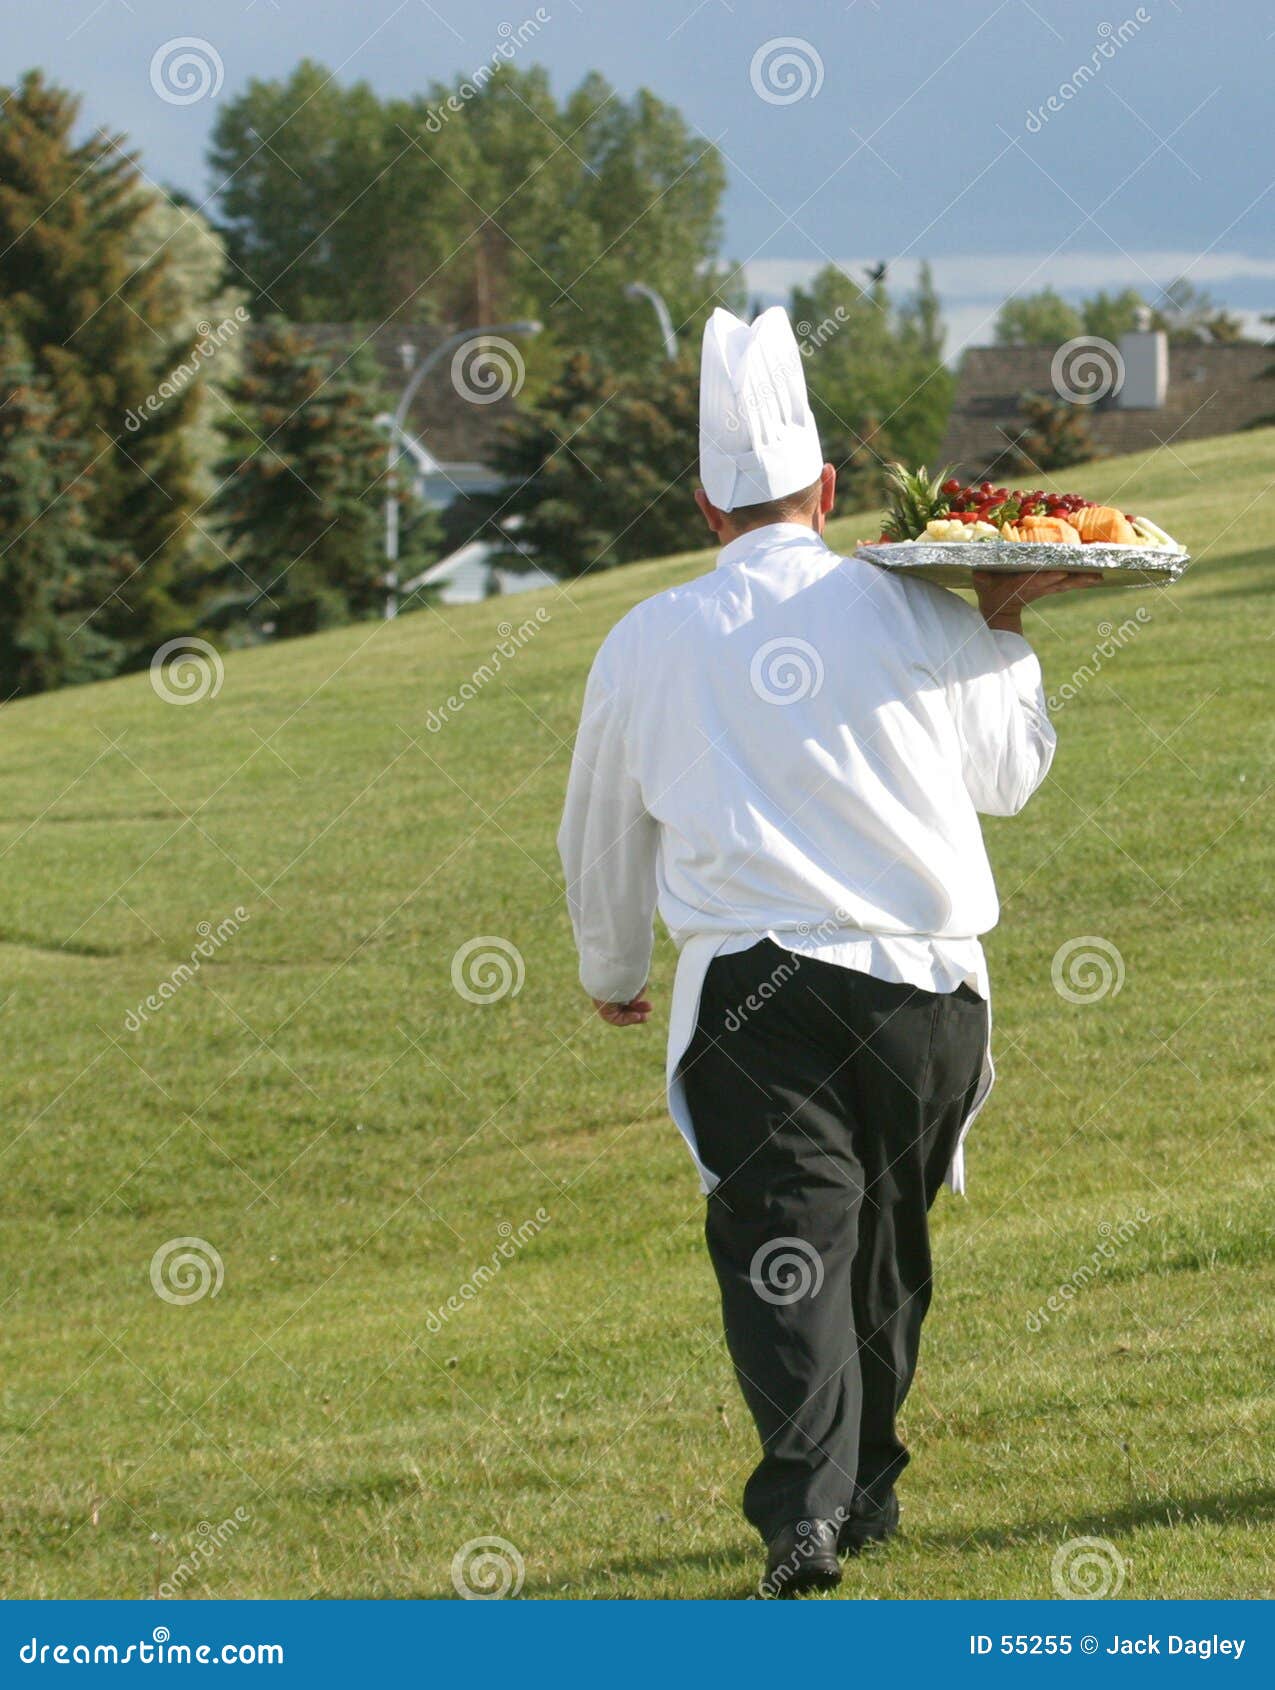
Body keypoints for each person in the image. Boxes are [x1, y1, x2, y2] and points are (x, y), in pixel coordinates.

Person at [557, 305, 1099, 1596]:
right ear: (832, 489)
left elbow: (599, 825)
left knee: (786, 1238)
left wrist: (612, 969)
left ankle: (811, 1507)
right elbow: (1012, 775)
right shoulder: (912, 598)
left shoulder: (644, 641)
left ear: (705, 506)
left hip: (757, 989)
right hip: (924, 982)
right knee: (888, 1241)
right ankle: (866, 1483)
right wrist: (1008, 622)